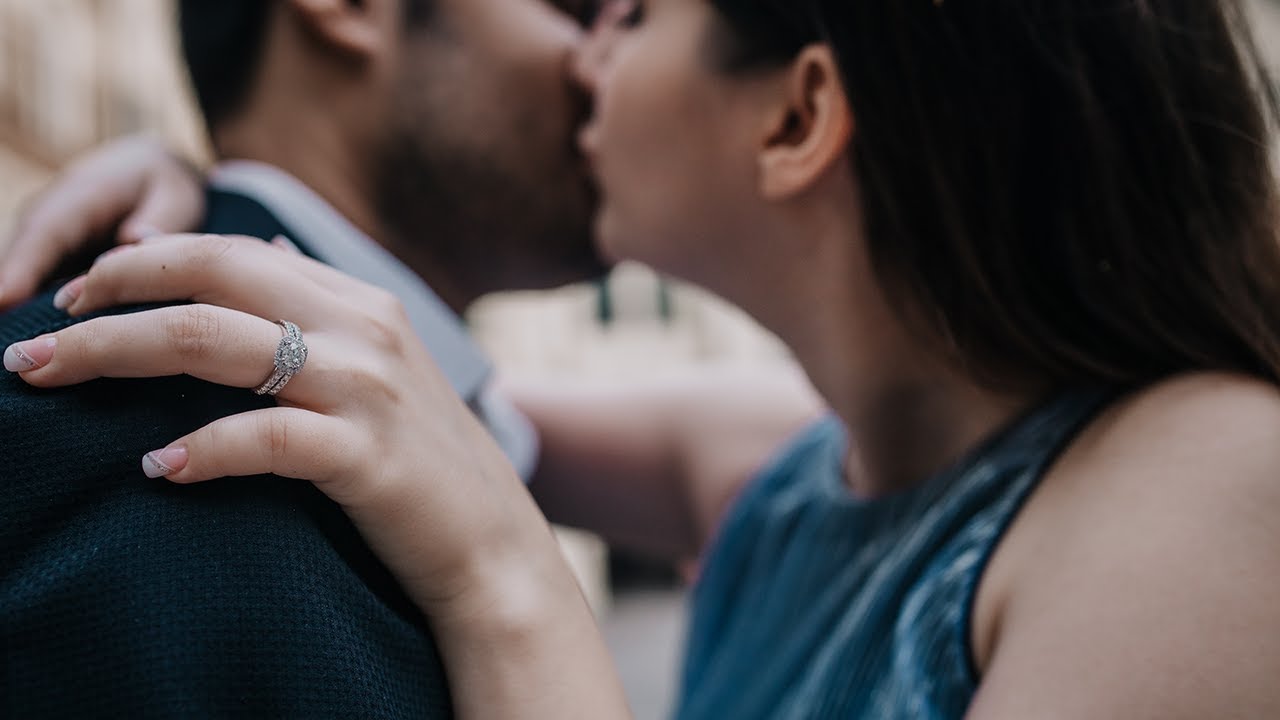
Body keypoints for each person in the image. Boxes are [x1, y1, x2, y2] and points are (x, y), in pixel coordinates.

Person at [15, 0, 1280, 717]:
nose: (587, 61)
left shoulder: (1210, 488)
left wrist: (505, 577)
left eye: (629, 15)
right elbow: (418, 400)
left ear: (794, 118)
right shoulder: (781, 471)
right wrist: (208, 196)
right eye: (589, 9)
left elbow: (453, 458)